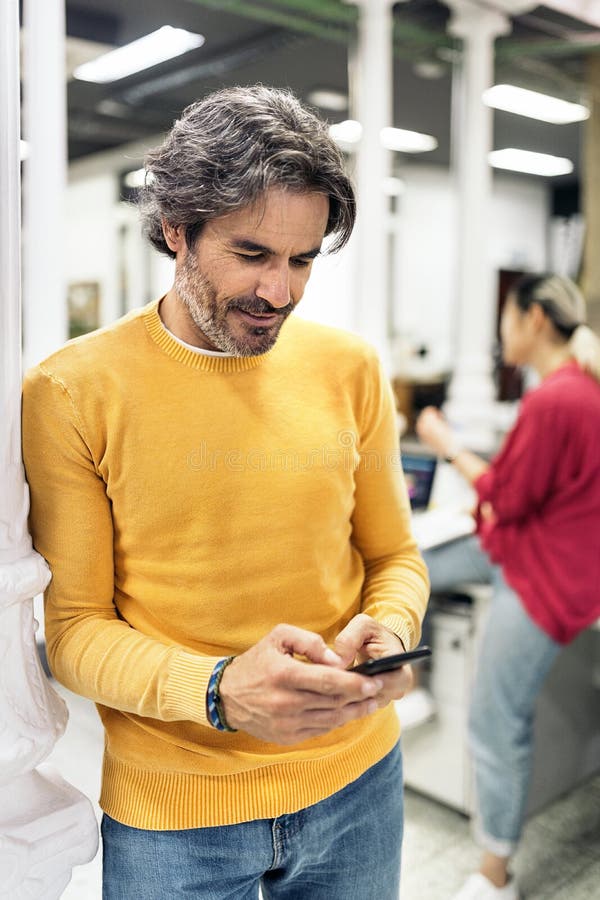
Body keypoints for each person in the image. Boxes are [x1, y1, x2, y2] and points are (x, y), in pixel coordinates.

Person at [22, 85, 429, 900]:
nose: (280, 292)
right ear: (177, 229)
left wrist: (390, 631)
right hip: (177, 820)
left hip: (359, 783)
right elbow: (73, 635)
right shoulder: (72, 392)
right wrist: (217, 692)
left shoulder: (350, 369)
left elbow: (395, 557)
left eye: (302, 259)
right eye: (251, 254)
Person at [416, 274, 600, 900]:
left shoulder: (557, 400)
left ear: (534, 320)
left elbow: (508, 496)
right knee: (411, 564)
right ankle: (410, 683)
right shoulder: (572, 389)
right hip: (523, 547)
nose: (501, 335)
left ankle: (496, 872)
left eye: (507, 320)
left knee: (496, 719)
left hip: (543, 574)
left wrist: (445, 445)